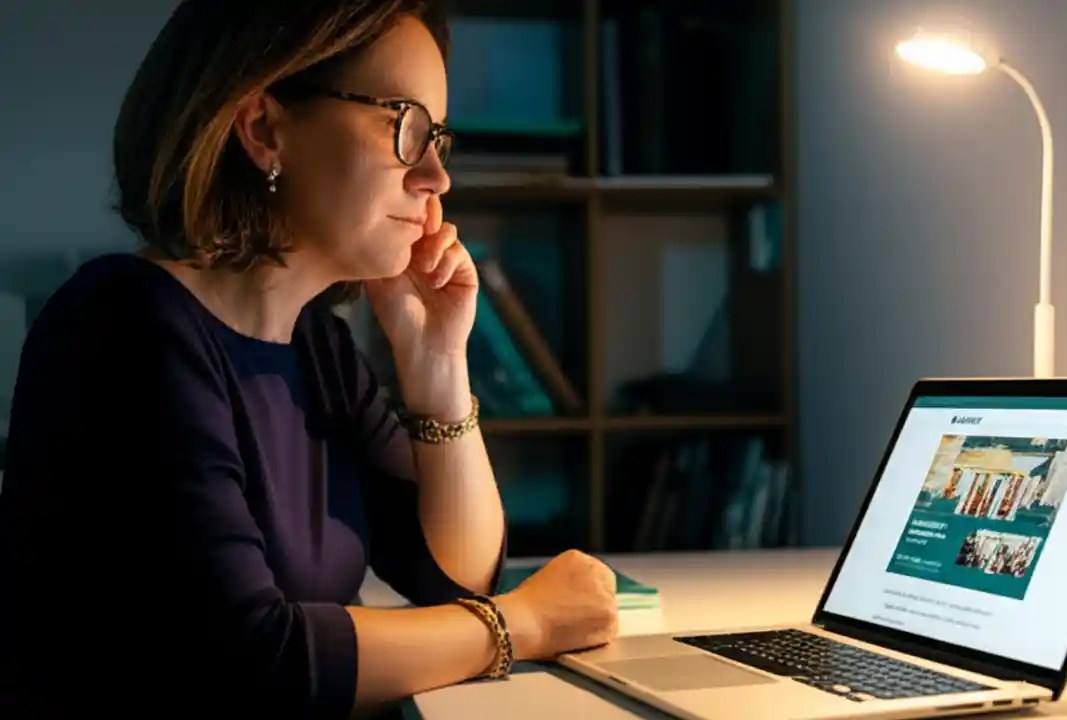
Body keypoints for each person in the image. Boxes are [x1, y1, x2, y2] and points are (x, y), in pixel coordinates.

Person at [0, 1, 618, 718]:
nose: (436, 179)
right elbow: (257, 660)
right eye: (405, 126)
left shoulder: (314, 342)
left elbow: (455, 578)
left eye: (438, 138)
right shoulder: (126, 326)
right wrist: (527, 625)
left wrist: (438, 369)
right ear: (265, 128)